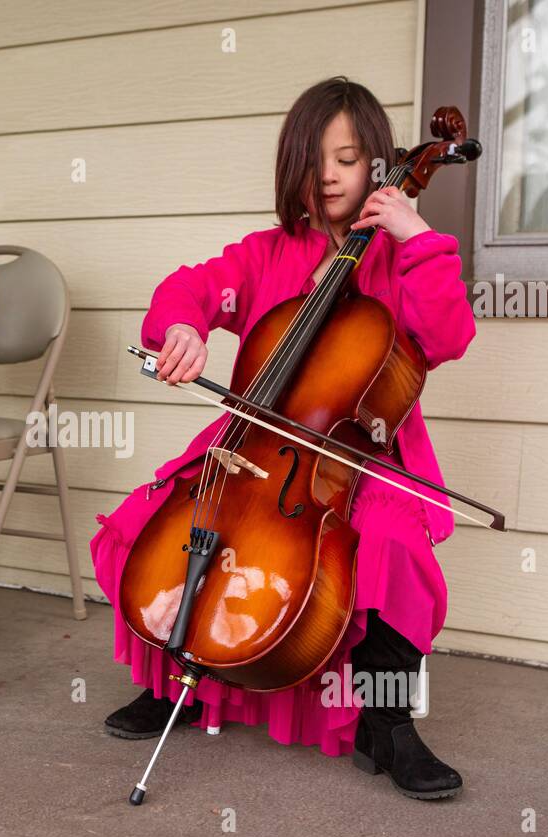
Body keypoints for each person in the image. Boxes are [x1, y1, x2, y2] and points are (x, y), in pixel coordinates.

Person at [90, 76, 475, 798]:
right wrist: (181, 326)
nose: (328, 174)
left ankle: (386, 726)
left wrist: (418, 236)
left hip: (364, 451)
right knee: (150, 524)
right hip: (255, 437)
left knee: (393, 551)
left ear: (379, 165)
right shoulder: (268, 253)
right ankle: (184, 682)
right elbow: (195, 288)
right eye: (312, 159)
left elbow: (446, 334)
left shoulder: (399, 255)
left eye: (349, 157)